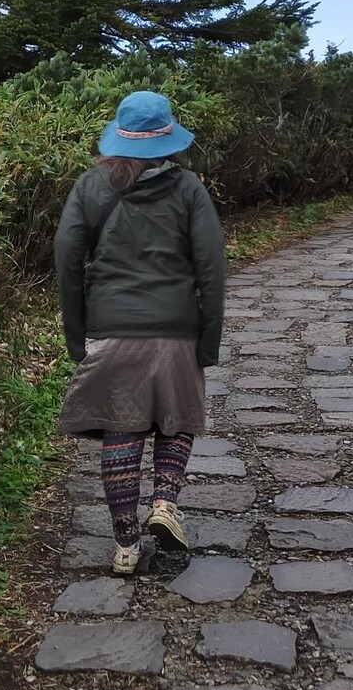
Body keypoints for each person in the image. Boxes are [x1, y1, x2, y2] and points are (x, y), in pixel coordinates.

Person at [54, 90, 226, 574]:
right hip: (176, 330)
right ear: (167, 139)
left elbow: (66, 259)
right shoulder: (189, 187)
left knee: (121, 427)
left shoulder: (90, 187)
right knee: (177, 418)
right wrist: (206, 342)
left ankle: (126, 544)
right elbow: (211, 267)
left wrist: (77, 333)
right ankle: (164, 504)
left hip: (112, 328)